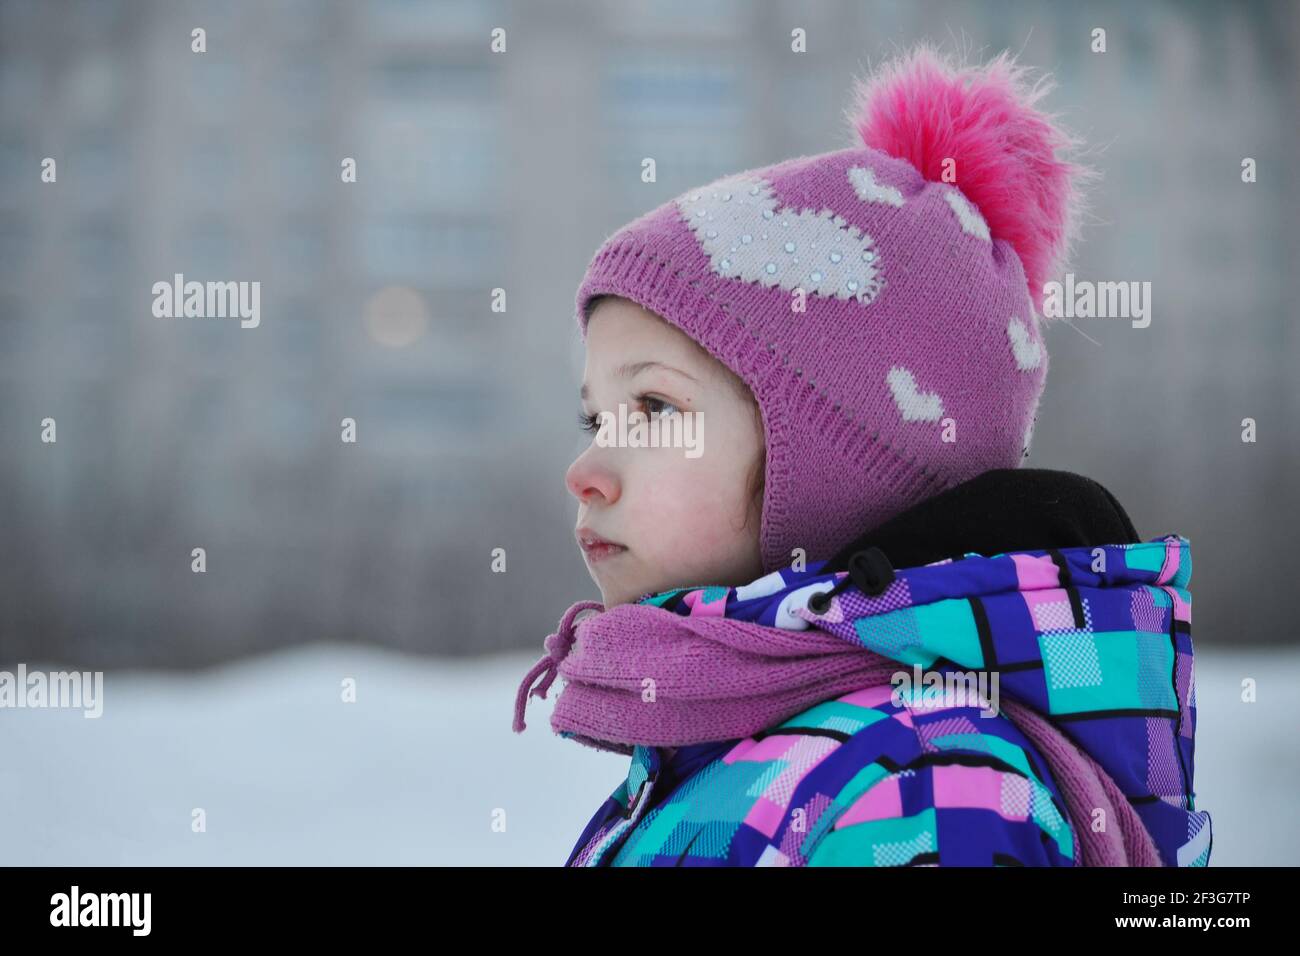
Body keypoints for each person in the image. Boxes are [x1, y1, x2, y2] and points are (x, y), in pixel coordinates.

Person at [514, 44, 1212, 867]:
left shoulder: (925, 787)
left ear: (838, 463)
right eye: (595, 418)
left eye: (656, 408)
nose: (585, 470)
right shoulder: (721, 738)